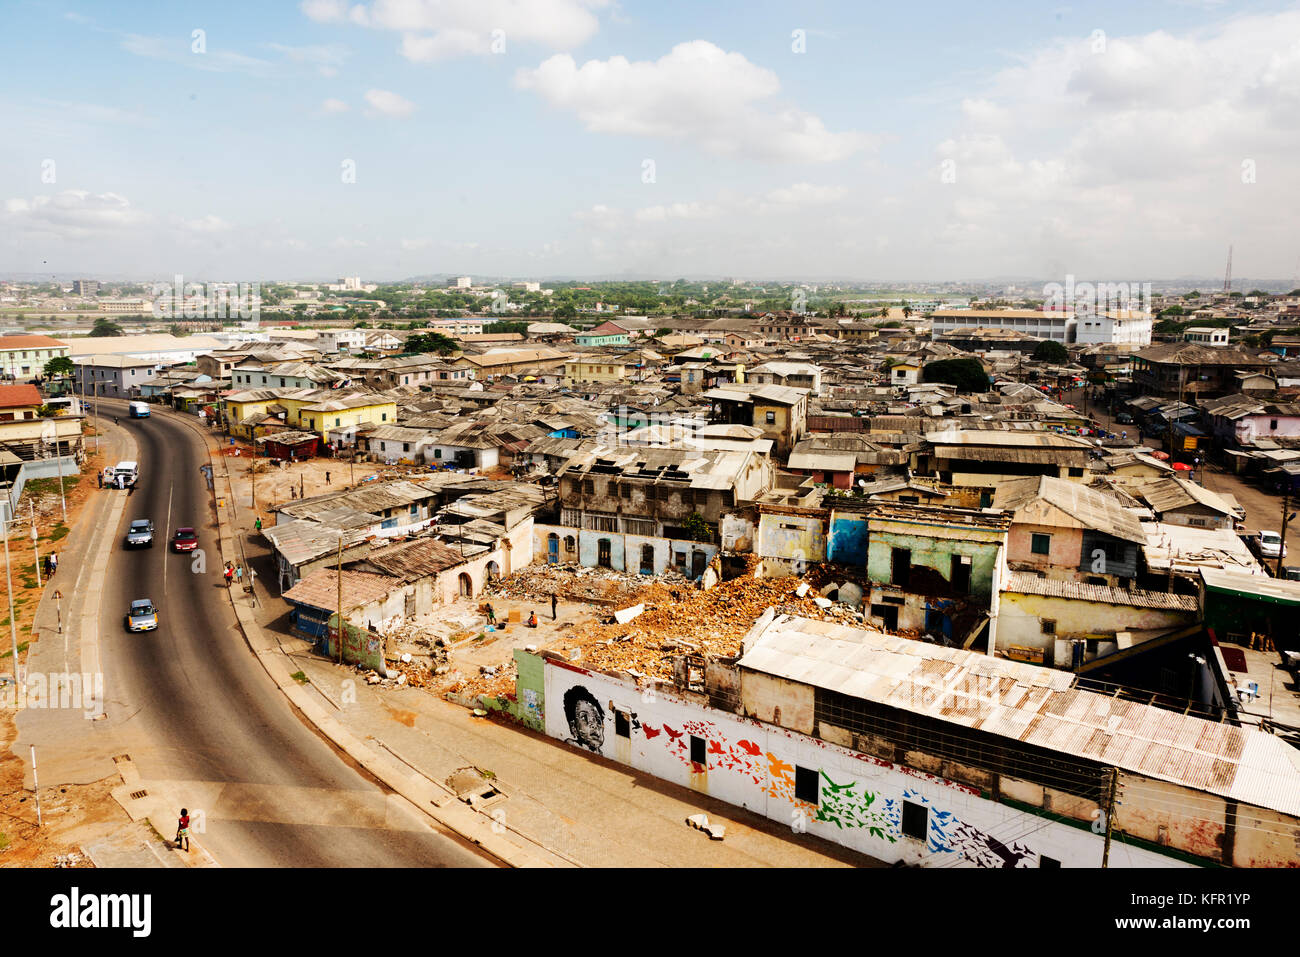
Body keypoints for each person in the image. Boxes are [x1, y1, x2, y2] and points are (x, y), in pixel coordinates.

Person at [562, 685, 605, 752]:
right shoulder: (571, 747)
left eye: (598, 720)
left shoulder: (599, 754)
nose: (594, 725)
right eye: (584, 718)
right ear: (573, 727)